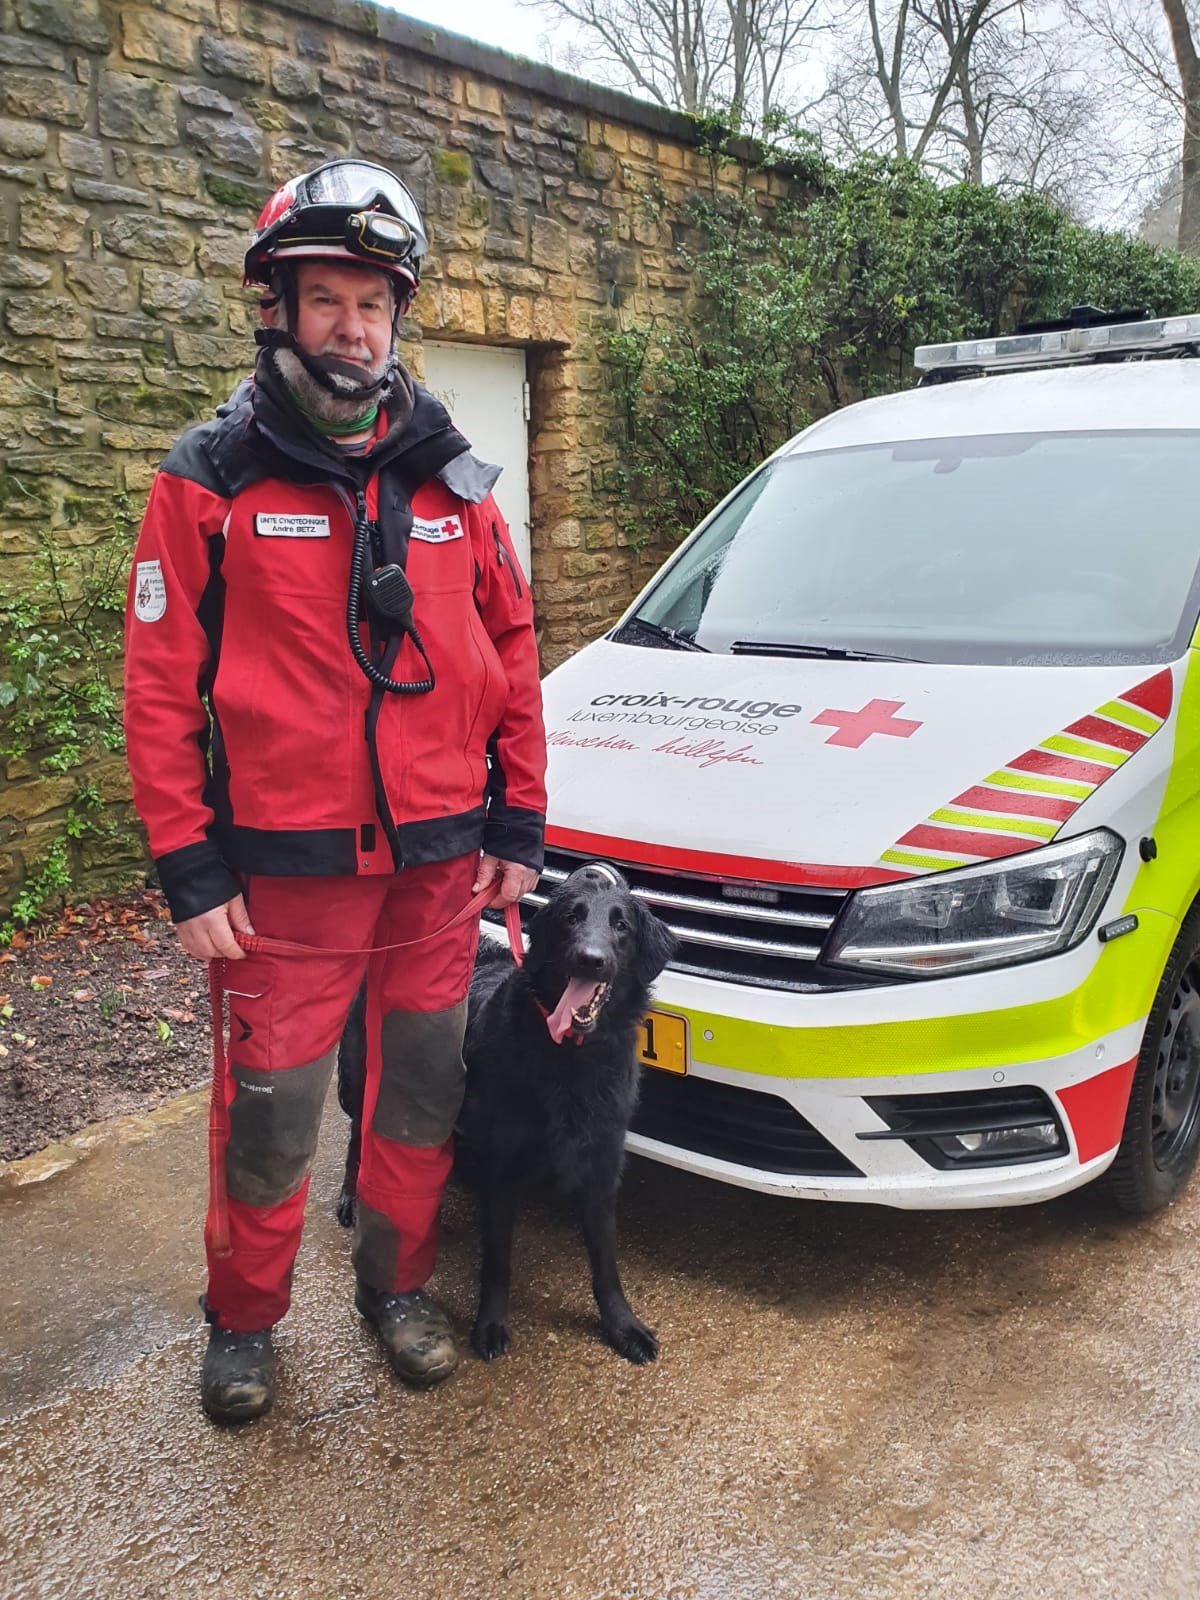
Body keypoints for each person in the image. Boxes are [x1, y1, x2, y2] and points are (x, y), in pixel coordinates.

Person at [123, 159, 547, 1425]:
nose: (352, 325)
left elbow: (515, 651)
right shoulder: (209, 474)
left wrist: (518, 819)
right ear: (279, 307)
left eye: (373, 299)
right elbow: (157, 688)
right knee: (269, 1119)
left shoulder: (459, 481)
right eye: (326, 300)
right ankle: (244, 1325)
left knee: (420, 1097)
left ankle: (397, 1290)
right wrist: (189, 868)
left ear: (397, 313)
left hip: (434, 869)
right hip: (282, 885)